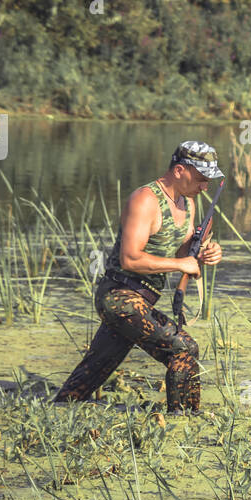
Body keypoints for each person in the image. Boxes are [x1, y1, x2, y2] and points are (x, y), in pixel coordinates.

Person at [52, 141, 224, 413]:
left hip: (144, 300)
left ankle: (56, 411)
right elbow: (130, 258)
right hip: (119, 297)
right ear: (179, 170)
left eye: (209, 181)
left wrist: (204, 254)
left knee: (91, 374)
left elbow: (182, 251)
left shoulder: (188, 204)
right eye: (201, 178)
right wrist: (182, 264)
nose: (205, 186)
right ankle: (184, 419)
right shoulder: (145, 200)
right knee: (183, 349)